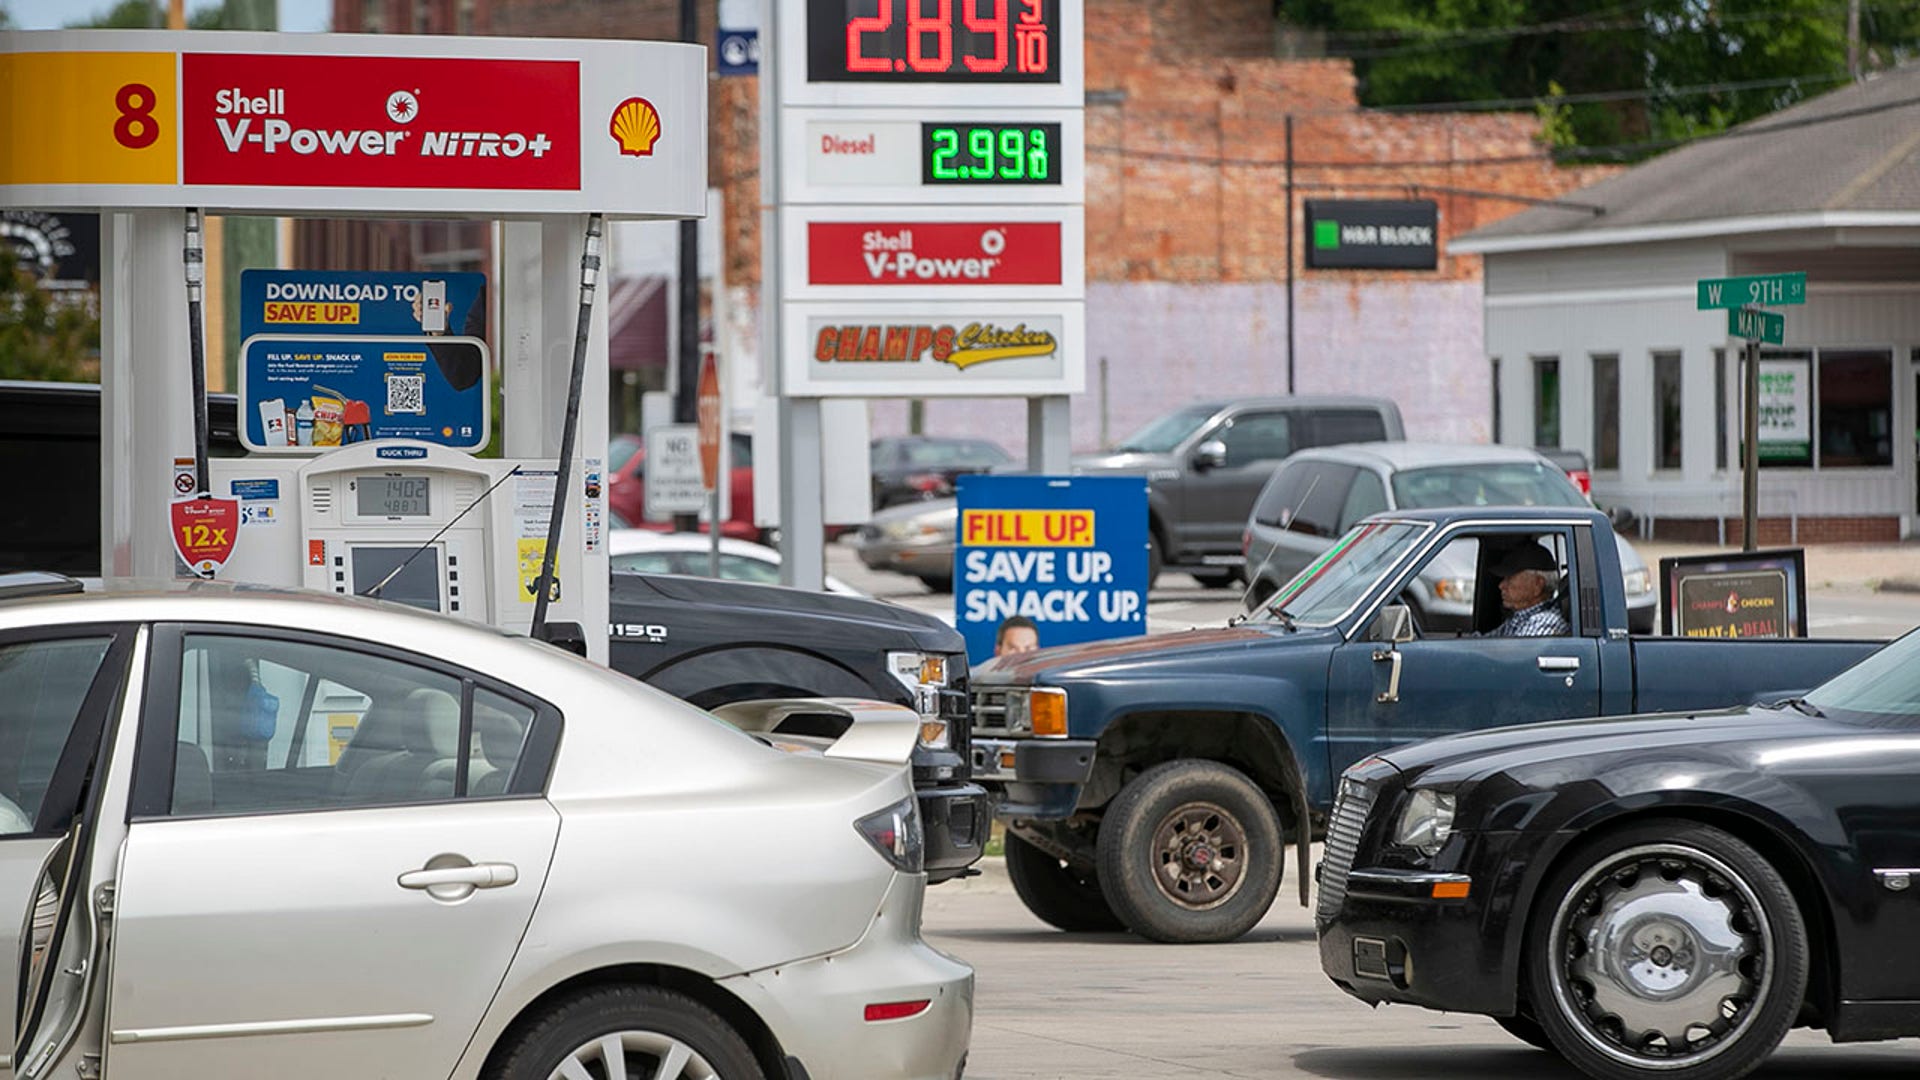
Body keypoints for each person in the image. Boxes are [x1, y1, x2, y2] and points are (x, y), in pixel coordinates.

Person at [1483, 544, 1569, 637]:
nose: (1501, 585)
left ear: (1537, 585)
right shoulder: (1519, 618)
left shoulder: (1544, 624)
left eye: (1509, 578)